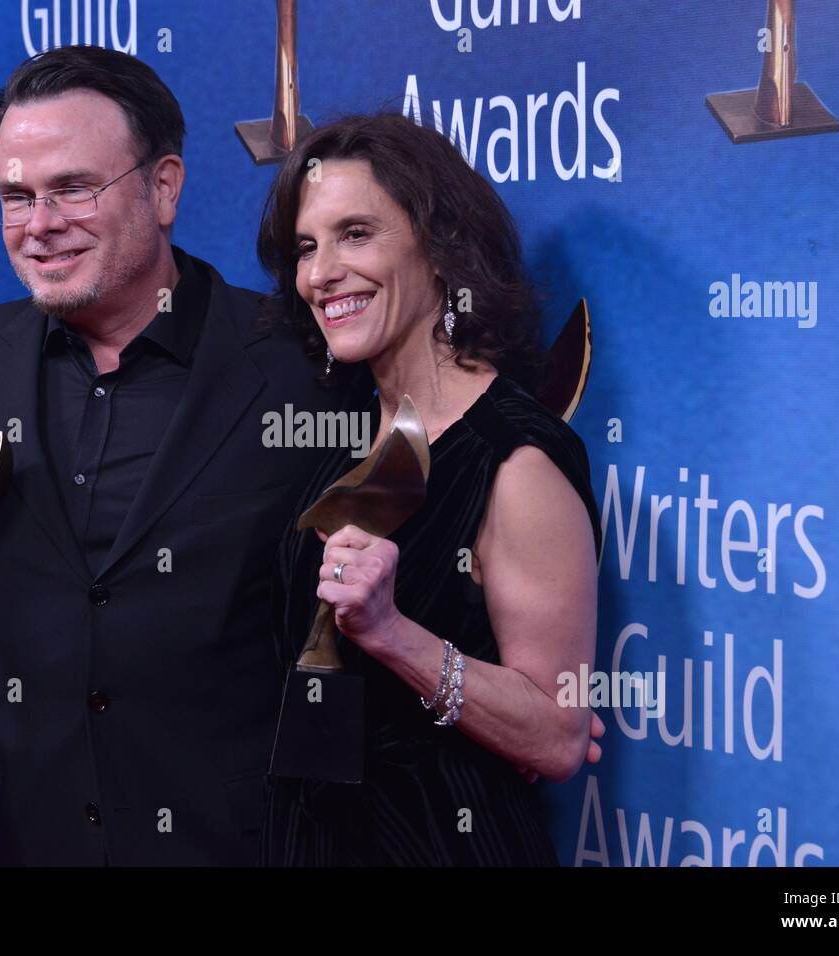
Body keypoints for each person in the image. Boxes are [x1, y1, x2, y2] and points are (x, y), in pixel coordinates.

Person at [0, 47, 362, 865]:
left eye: (73, 189)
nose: (40, 225)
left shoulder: (305, 365)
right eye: (16, 197)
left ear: (164, 187)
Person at [256, 113, 606, 865]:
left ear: (442, 248)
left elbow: (558, 735)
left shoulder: (516, 459)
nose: (321, 274)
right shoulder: (346, 429)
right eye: (306, 248)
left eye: (357, 234)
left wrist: (392, 633)